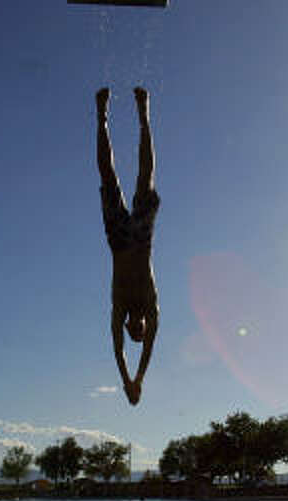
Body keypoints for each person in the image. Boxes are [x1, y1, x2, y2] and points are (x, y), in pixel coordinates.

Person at [97, 86, 160, 406]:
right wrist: (139, 379)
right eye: (141, 331)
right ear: (145, 325)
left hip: (120, 241)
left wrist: (127, 381)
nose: (138, 330)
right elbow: (148, 347)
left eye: (133, 331)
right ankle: (144, 115)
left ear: (127, 325)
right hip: (141, 238)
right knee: (145, 178)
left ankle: (101, 116)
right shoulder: (151, 305)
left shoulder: (119, 307)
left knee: (109, 178)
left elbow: (118, 349)